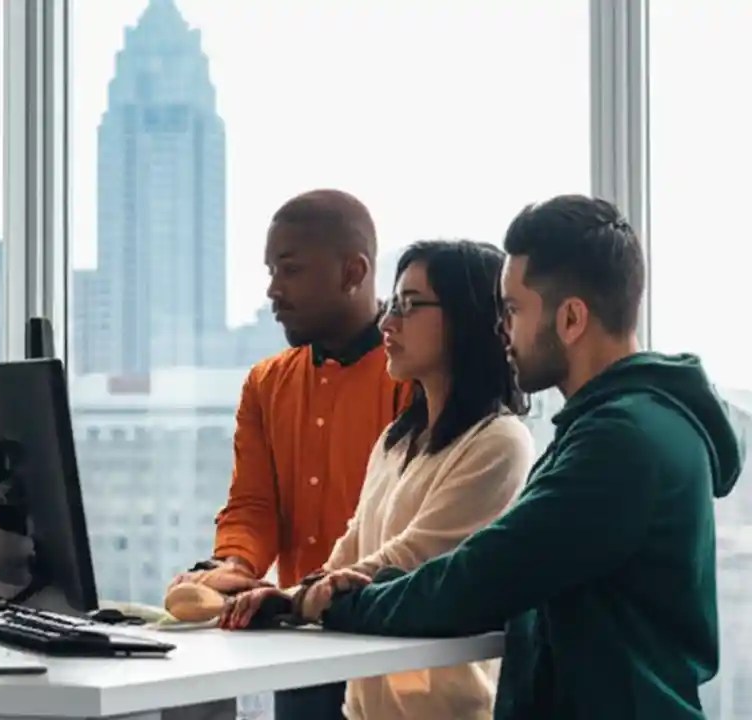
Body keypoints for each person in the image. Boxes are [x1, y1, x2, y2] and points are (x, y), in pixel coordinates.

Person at [292, 195, 740, 720]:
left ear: (570, 318)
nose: (501, 328)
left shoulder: (621, 440)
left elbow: (482, 577)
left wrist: (342, 602)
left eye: (512, 310)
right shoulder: (628, 426)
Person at [221, 239, 534, 719]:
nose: (388, 323)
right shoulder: (397, 439)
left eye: (410, 306)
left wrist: (301, 599)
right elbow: (352, 549)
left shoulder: (499, 442)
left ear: (466, 317)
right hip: (365, 709)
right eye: (393, 305)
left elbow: (410, 561)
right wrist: (289, 596)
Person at [166, 189, 409, 719]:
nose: (273, 289)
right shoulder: (265, 383)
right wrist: (231, 565)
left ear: (353, 272)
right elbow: (254, 506)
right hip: (299, 644)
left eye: (290, 270)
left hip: (391, 643)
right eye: (272, 271)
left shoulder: (412, 379)